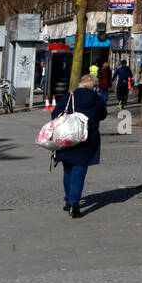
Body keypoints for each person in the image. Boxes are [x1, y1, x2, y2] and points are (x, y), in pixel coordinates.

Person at [52, 73, 108, 218]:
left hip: (67, 138)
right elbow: (102, 115)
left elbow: (55, 115)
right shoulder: (98, 99)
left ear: (80, 84)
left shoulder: (69, 97)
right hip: (87, 140)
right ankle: (74, 203)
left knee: (68, 170)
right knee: (79, 170)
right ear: (94, 86)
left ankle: (68, 200)